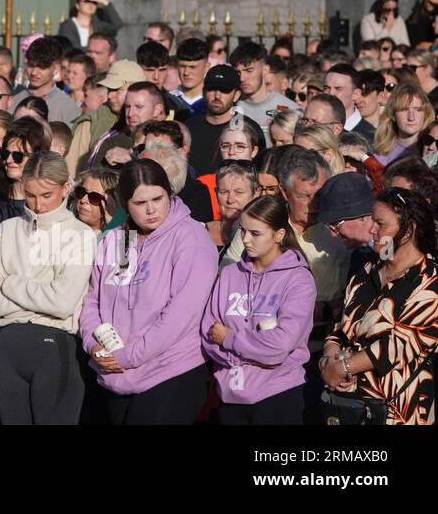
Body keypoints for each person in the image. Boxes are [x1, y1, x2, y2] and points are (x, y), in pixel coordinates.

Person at [80, 159, 215, 424]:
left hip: (171, 370)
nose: (151, 210)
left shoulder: (190, 237)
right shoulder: (116, 240)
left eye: (158, 198)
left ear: (170, 194)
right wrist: (93, 345)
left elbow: (182, 312)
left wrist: (128, 356)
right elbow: (92, 300)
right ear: (124, 204)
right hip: (114, 373)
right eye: (140, 203)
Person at [0, 151, 95, 424]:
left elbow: (63, 302)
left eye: (47, 195)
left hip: (56, 349)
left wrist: (11, 283)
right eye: (30, 195)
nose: (38, 205)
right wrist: (41, 297)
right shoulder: (6, 230)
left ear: (66, 188)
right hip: (7, 348)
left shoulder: (80, 235)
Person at [322, 187, 438, 424]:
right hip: (349, 409)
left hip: (397, 412)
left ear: (408, 230)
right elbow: (340, 328)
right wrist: (328, 360)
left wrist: (344, 367)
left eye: (380, 224)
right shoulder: (365, 272)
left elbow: (400, 345)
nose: (371, 230)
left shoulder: (430, 280)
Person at [201, 194, 316, 424]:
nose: (245, 239)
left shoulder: (298, 279)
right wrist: (245, 357)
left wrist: (231, 339)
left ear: (279, 235)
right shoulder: (230, 274)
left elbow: (280, 345)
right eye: (242, 230)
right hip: (231, 395)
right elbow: (209, 333)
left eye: (255, 233)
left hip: (278, 395)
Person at [231, 42, 296, 143]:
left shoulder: (290, 108)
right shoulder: (231, 107)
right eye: (238, 72)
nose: (242, 78)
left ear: (265, 70)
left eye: (249, 71)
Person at [10, 37, 81, 125]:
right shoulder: (13, 99)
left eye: (42, 67)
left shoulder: (69, 108)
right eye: (31, 65)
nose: (34, 72)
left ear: (56, 68)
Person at [371, 84, 433, 166]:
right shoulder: (380, 152)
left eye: (418, 110)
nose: (411, 117)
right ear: (393, 115)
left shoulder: (432, 149)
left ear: (426, 114)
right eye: (404, 110)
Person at [69, 168, 121, 232]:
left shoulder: (124, 237)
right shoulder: (62, 225)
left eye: (94, 197)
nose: (83, 200)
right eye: (81, 192)